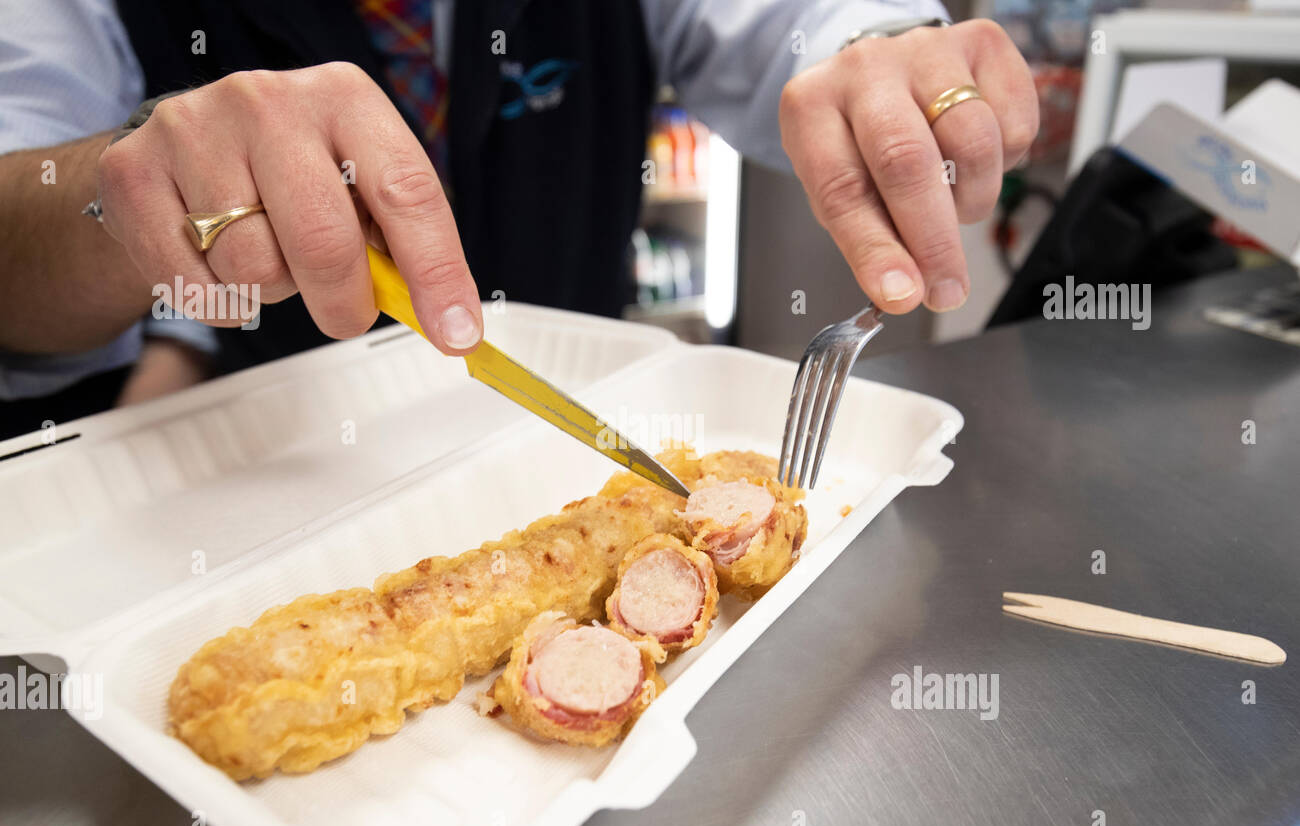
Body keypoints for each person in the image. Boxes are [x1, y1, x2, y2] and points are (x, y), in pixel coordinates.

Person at [0, 0, 1038, 438]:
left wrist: (886, 52)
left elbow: (798, 26)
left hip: (560, 446)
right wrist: (122, 195)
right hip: (247, 485)